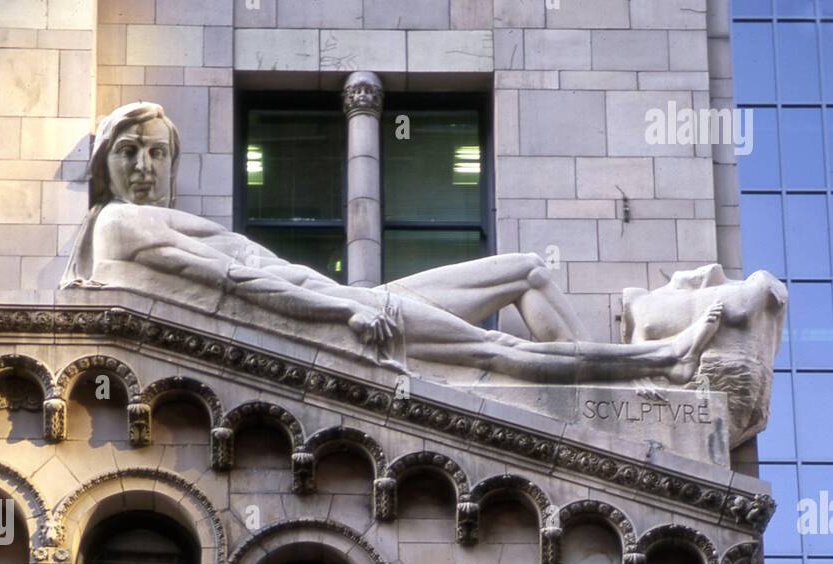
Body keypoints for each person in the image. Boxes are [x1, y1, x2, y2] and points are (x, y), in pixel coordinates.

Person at [62, 101, 724, 388]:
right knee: (500, 348)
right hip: (343, 330)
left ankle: (602, 393)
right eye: (128, 153)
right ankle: (656, 363)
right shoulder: (120, 224)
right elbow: (241, 287)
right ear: (105, 166)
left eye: (156, 153)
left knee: (526, 272)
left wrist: (346, 302)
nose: (144, 167)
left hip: (352, 302)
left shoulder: (157, 220)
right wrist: (342, 314)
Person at [622, 264, 787, 444]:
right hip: (665, 395)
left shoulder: (758, 287)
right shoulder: (640, 300)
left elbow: (771, 344)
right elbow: (636, 348)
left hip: (732, 401)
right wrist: (636, 372)